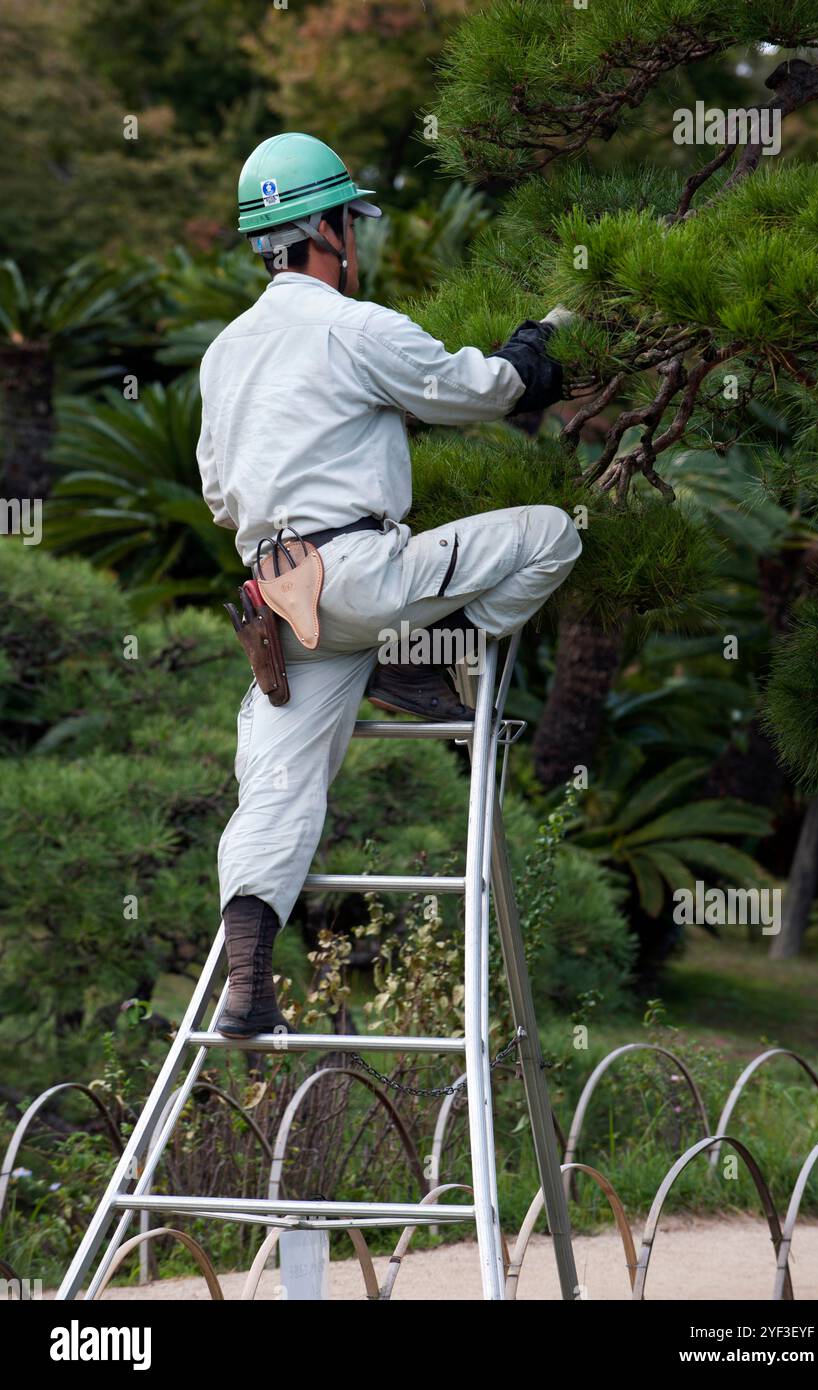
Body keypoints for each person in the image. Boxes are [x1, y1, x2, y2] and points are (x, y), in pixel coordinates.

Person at [196, 133, 582, 1037]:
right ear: (325, 230)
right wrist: (535, 352)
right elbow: (478, 391)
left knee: (278, 787)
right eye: (350, 224)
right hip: (363, 578)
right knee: (551, 534)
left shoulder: (224, 352)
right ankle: (431, 652)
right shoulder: (350, 325)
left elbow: (221, 494)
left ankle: (247, 990)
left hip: (283, 604)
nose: (356, 241)